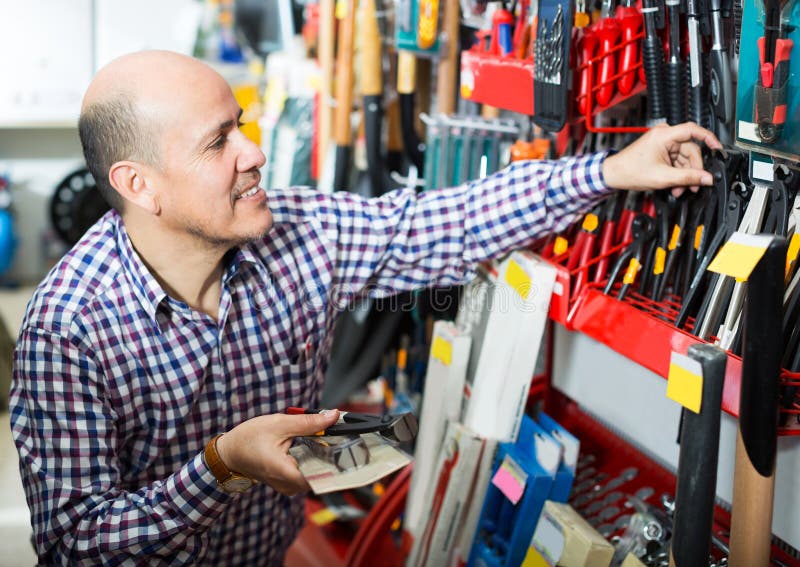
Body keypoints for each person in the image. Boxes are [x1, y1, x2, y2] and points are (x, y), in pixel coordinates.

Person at [9, 50, 721, 566]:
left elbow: (447, 223)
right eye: (218, 142)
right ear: (140, 184)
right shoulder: (69, 329)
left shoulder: (295, 232)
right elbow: (77, 546)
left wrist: (607, 171)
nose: (255, 152)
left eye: (241, 124)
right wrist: (222, 465)